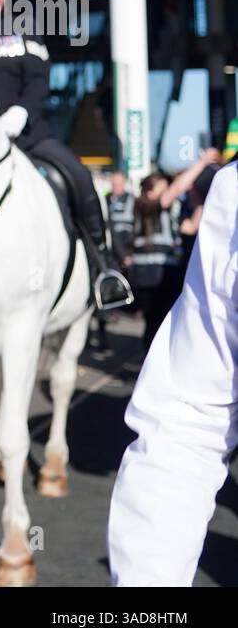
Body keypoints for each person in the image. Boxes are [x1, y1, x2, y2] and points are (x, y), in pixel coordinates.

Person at [0, 0, 131, 310]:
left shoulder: (22, 26)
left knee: (80, 178)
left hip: (27, 135)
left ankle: (104, 268)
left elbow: (38, 78)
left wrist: (19, 113)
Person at [108, 160, 238, 585]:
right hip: (153, 273)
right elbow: (189, 421)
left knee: (67, 176)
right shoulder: (231, 190)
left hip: (167, 267)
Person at [126, 151, 218, 345]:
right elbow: (177, 188)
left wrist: (201, 203)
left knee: (164, 321)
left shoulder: (167, 212)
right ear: (150, 192)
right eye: (162, 189)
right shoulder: (144, 205)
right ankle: (150, 356)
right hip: (151, 275)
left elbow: (190, 227)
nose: (168, 191)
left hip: (166, 274)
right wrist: (202, 161)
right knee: (156, 322)